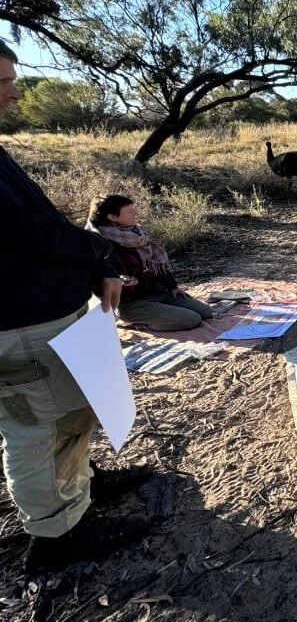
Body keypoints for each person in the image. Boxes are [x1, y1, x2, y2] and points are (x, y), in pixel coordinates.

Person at [0, 42, 152, 573]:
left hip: (43, 316)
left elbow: (41, 232)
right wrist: (96, 254)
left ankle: (79, 483)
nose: (15, 93)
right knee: (38, 424)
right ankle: (57, 532)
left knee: (67, 412)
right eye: (1, 82)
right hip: (16, 325)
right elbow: (30, 237)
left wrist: (96, 264)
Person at [86, 194, 214, 330]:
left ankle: (163, 312)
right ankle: (138, 323)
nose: (135, 214)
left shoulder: (135, 235)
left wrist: (172, 286)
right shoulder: (99, 244)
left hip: (157, 293)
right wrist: (121, 279)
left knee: (206, 312)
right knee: (191, 320)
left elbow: (156, 264)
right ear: (112, 217)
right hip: (131, 302)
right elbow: (100, 279)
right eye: (130, 212)